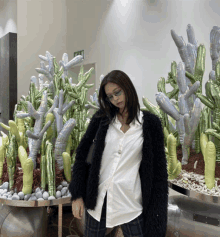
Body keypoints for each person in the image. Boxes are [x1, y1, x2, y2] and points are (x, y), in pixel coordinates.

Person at [68, 70, 168, 237]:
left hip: (130, 203)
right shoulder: (101, 120)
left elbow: (158, 173)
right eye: (110, 96)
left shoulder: (150, 124)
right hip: (98, 201)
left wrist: (157, 216)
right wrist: (77, 194)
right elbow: (83, 157)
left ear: (127, 88)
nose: (115, 99)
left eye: (117, 92)